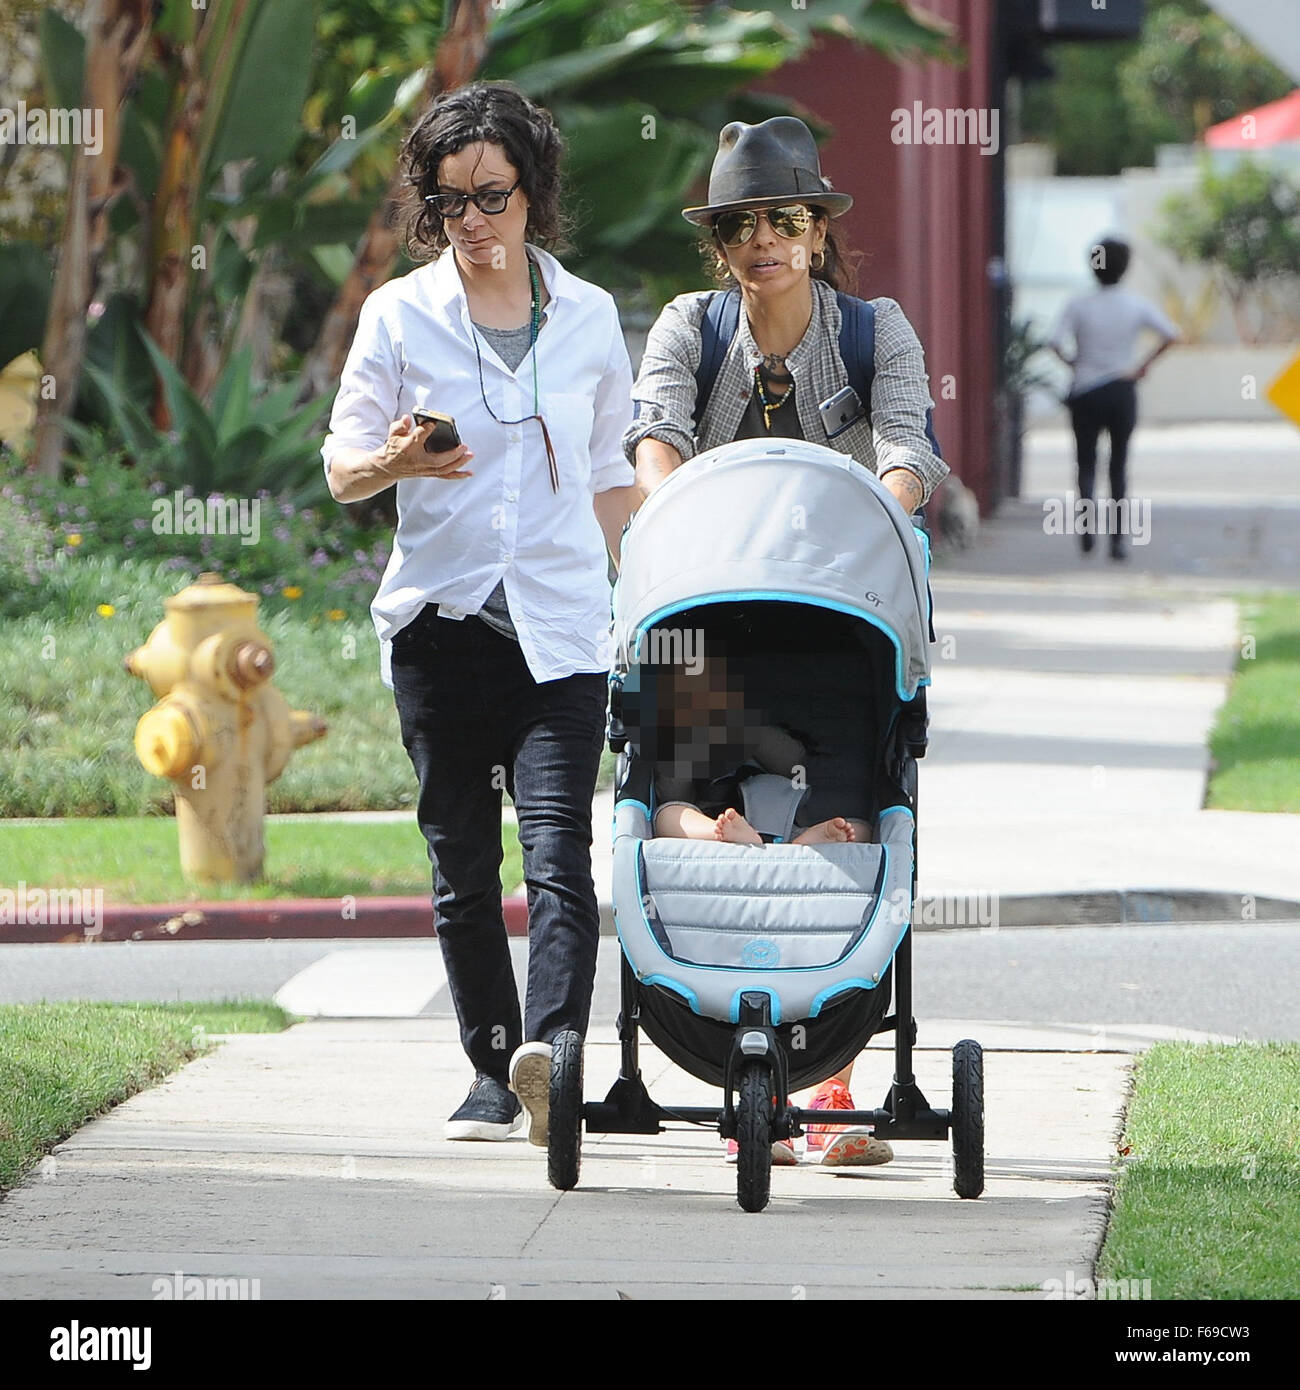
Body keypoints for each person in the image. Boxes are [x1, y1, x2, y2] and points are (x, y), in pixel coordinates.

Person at [624, 116, 949, 1166]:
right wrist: (674, 531)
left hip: (835, 618)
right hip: (706, 613)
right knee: (678, 781)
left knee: (845, 806)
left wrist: (885, 519)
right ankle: (733, 1056)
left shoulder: (871, 329)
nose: (761, 240)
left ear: (815, 233)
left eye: (783, 220)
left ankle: (840, 1077)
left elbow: (907, 445)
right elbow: (656, 436)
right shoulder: (690, 324)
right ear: (718, 245)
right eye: (739, 226)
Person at [322, 82, 638, 1147]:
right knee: (462, 863)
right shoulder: (399, 313)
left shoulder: (589, 317)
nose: (472, 220)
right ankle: (489, 1070)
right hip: (441, 628)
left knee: (558, 852)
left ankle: (548, 1053)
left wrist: (650, 595)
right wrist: (396, 460)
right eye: (450, 200)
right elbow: (340, 470)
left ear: (530, 192)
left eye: (492, 196)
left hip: (559, 630)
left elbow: (607, 476)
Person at [1049, 236, 1180, 560]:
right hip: (1122, 389)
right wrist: (1141, 367)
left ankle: (1086, 531)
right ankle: (1118, 541)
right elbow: (1171, 334)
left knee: (1085, 463)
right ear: (1125, 267)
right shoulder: (1135, 304)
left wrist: (1074, 364)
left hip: (1085, 391)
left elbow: (1053, 341)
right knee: (1119, 466)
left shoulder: (1078, 304)